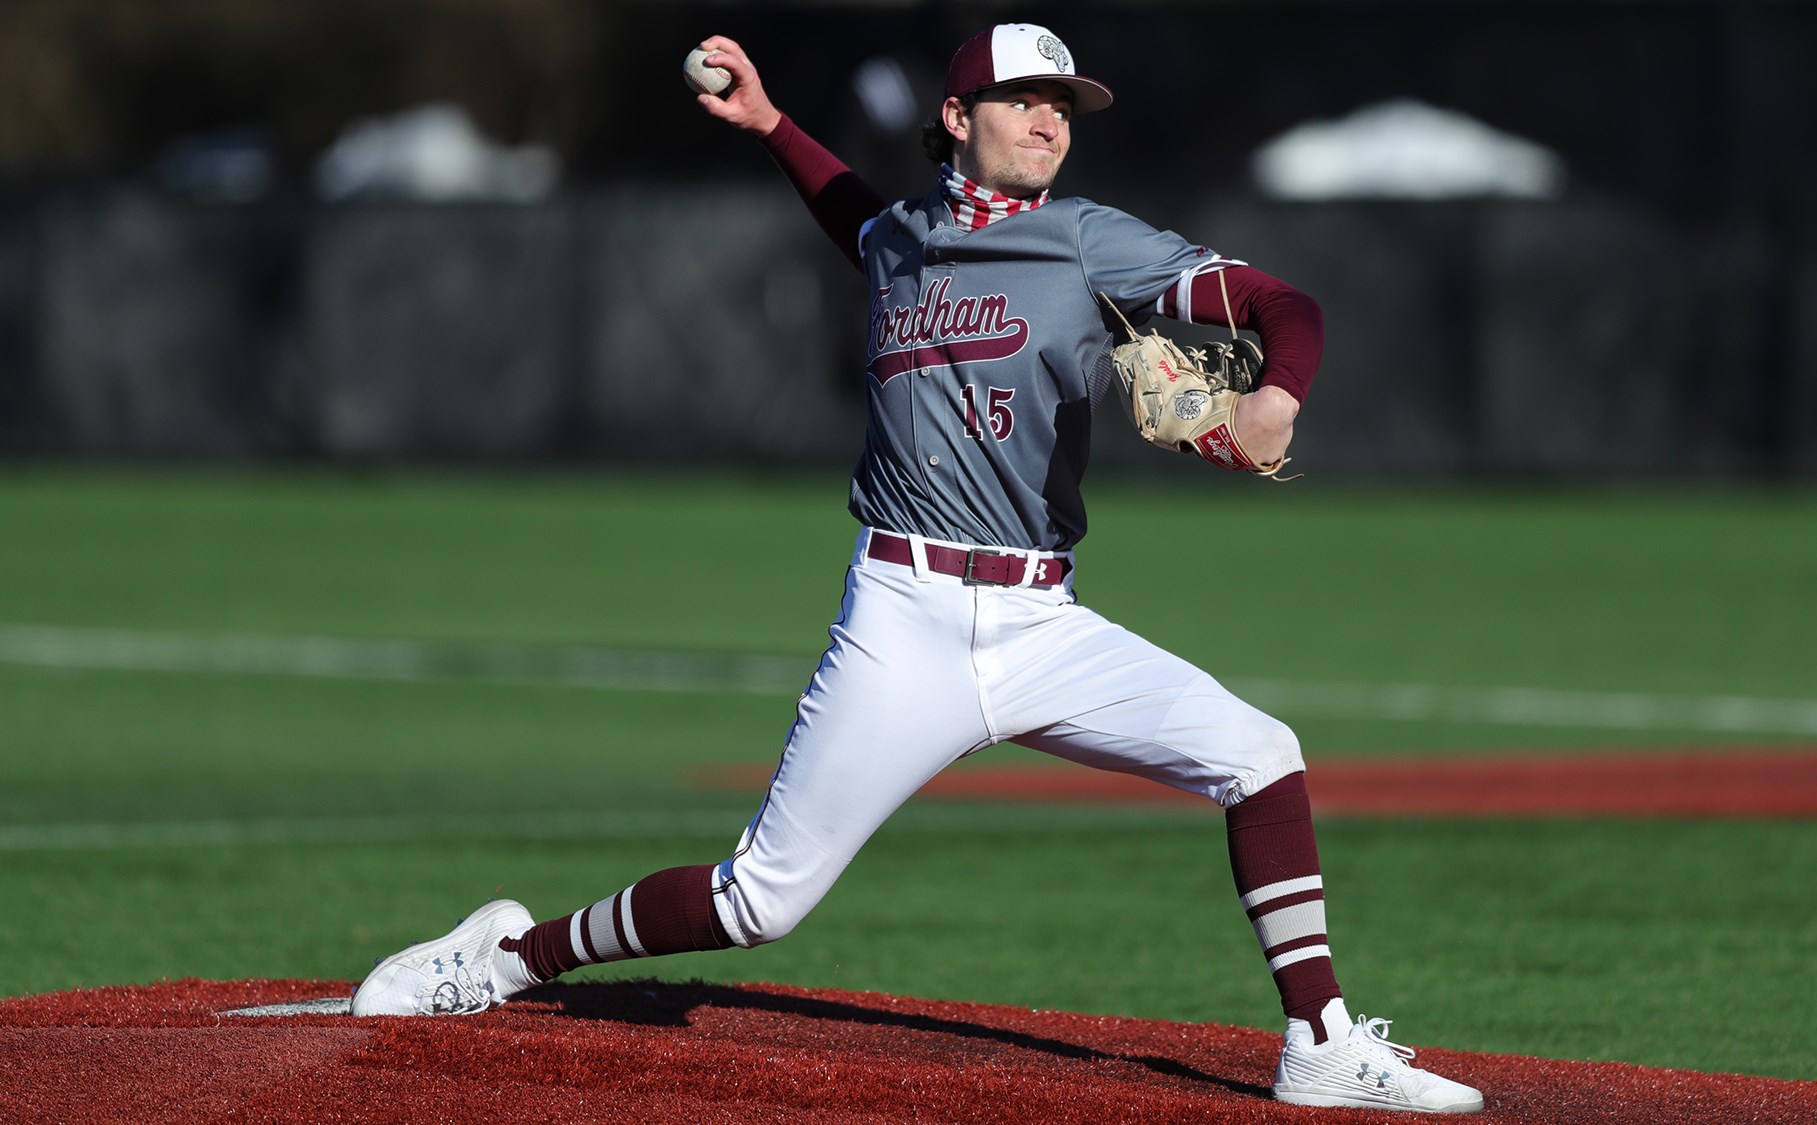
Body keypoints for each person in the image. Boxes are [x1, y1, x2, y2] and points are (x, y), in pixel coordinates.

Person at [352, 24, 1483, 1114]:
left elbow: (1281, 303)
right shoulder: (897, 236)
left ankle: (1320, 1043)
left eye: (1063, 106)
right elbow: (852, 215)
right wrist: (771, 124)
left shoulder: (1085, 239)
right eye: (1023, 100)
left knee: (1258, 754)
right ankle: (507, 954)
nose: (1048, 122)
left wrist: (1275, 399)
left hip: (1044, 623)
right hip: (904, 614)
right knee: (758, 901)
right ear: (957, 116)